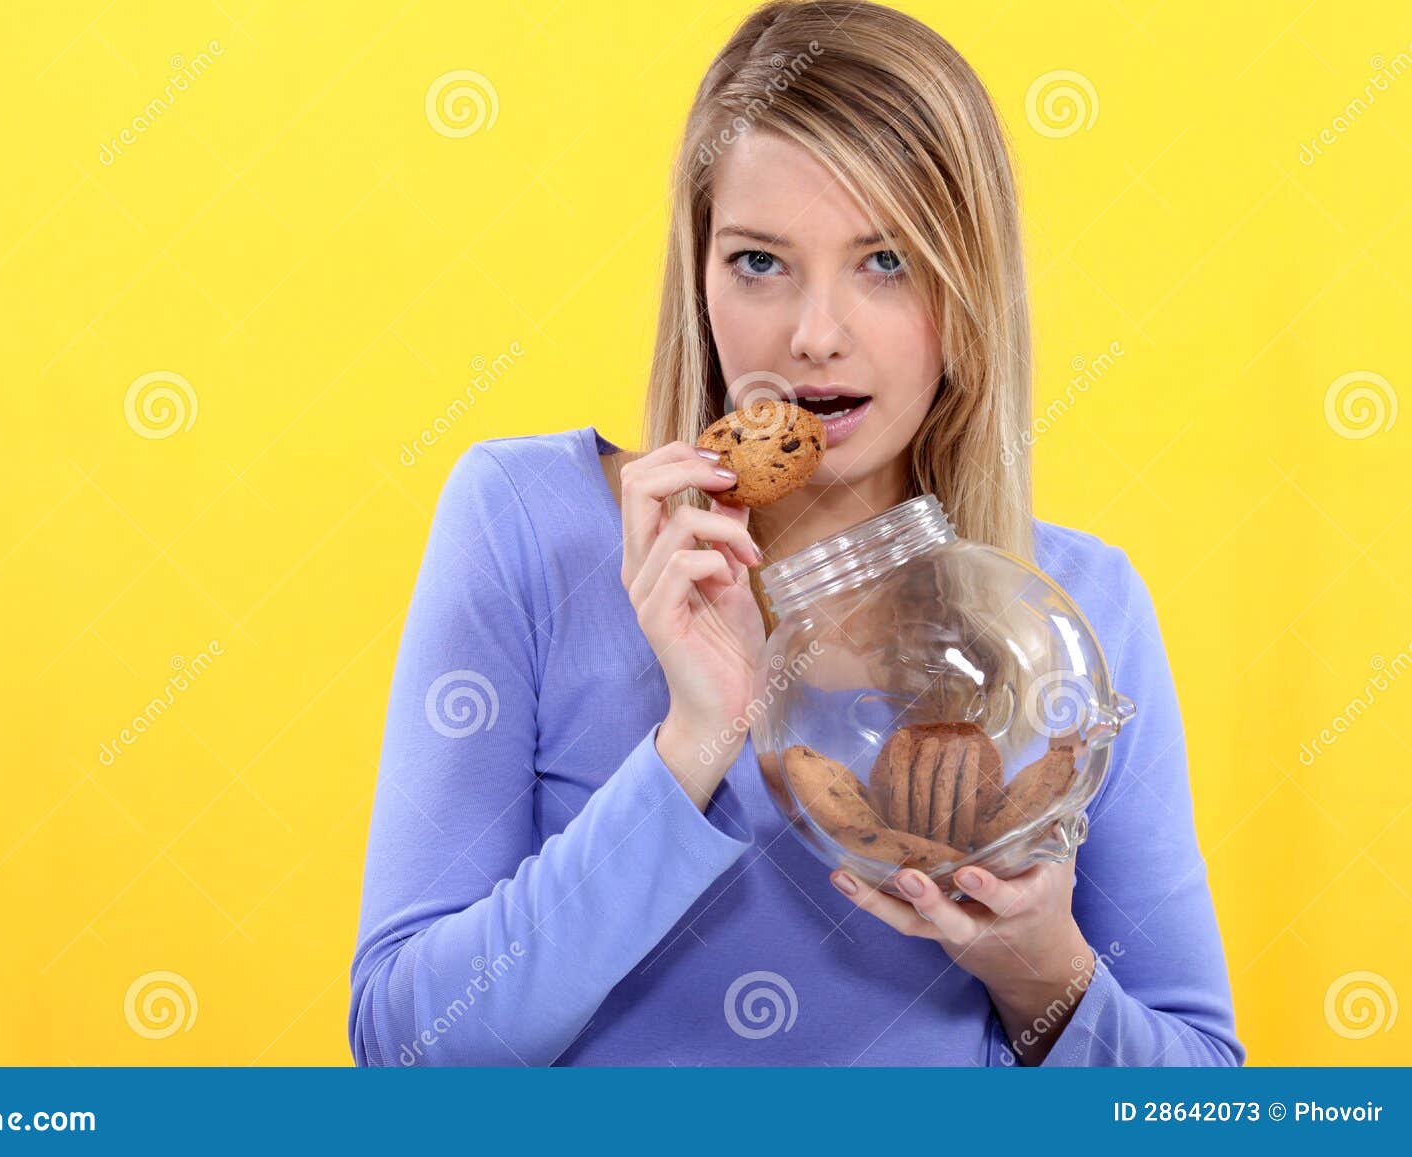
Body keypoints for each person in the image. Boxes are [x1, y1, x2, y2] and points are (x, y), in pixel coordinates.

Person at [349, 0, 1244, 1066]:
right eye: (760, 262)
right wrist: (691, 743)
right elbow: (405, 1051)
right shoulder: (524, 521)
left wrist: (1037, 970)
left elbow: (1204, 1104)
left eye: (886, 261)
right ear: (700, 275)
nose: (816, 336)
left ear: (968, 294)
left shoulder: (1075, 610)